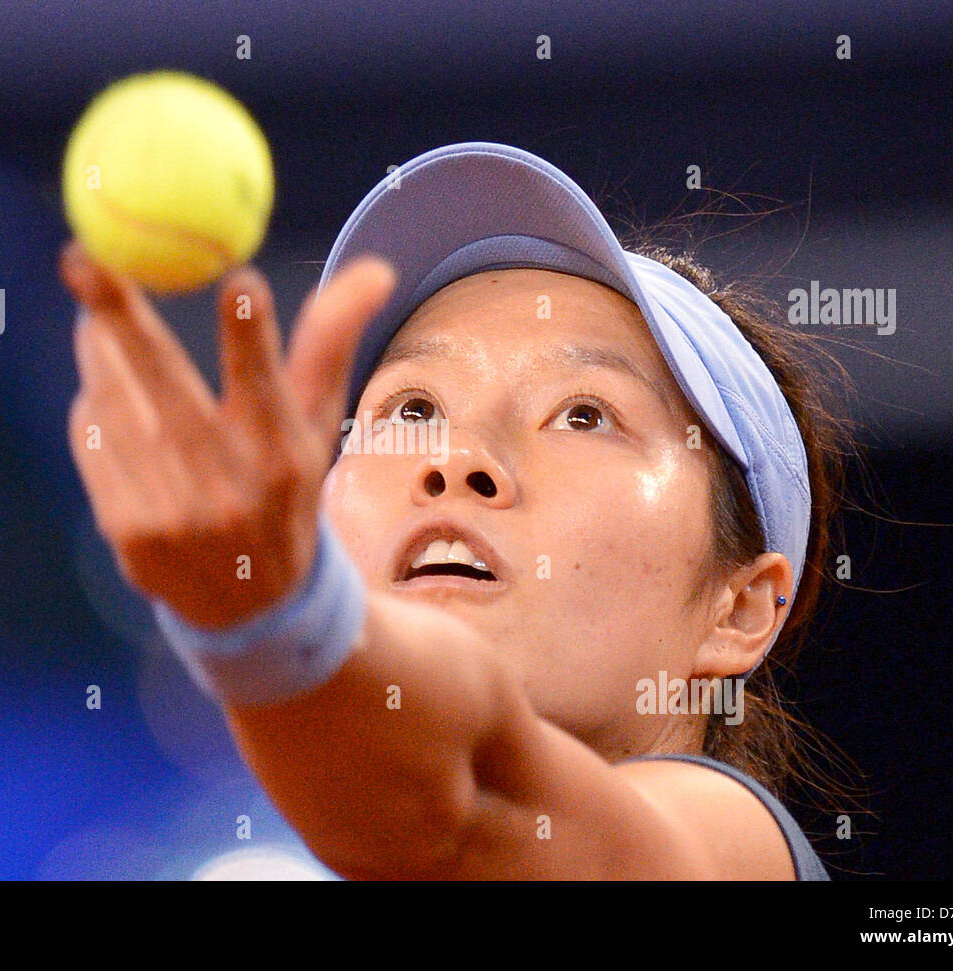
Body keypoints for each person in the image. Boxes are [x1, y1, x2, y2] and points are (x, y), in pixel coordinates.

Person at [59, 141, 852, 880]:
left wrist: (267, 620)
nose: (455, 459)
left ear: (740, 607)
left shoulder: (734, 852)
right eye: (410, 410)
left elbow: (466, 812)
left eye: (584, 414)